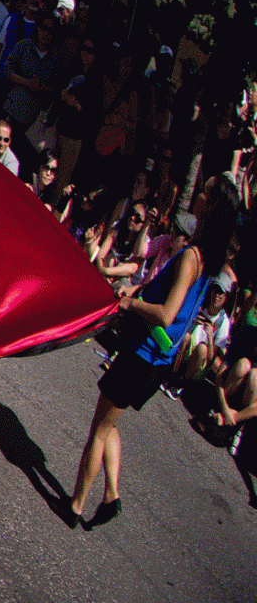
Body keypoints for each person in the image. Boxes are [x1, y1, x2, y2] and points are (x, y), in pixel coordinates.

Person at [63, 198, 228, 528]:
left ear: (212, 213)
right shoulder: (209, 260)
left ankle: (75, 506)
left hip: (145, 353)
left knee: (99, 430)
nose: (201, 200)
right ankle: (110, 496)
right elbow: (161, 294)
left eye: (207, 197)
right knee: (110, 422)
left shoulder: (192, 257)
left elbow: (166, 314)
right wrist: (133, 290)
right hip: (155, 359)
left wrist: (128, 303)